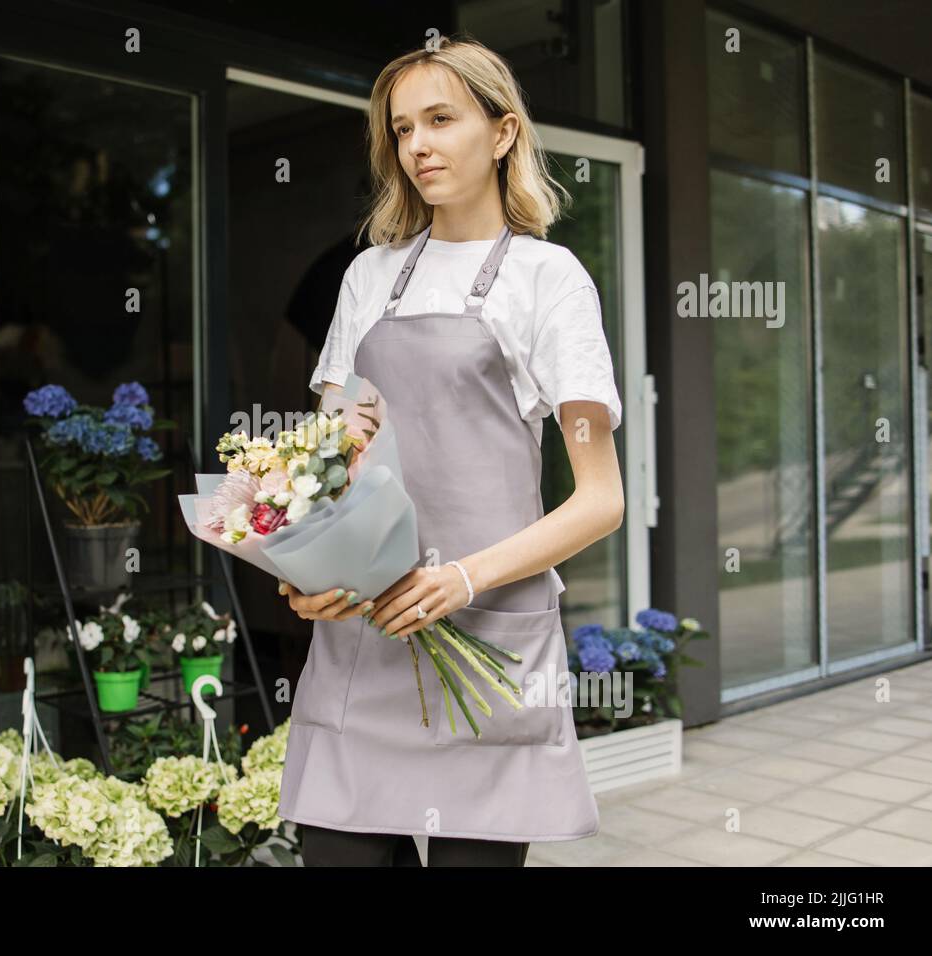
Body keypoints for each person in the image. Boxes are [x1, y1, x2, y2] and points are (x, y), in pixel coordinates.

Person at [275, 36, 624, 867]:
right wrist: (305, 572)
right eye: (401, 130)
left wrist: (462, 578)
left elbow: (600, 498)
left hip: (486, 645)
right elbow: (330, 472)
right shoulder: (368, 279)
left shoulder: (550, 279)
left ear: (503, 133)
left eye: (441, 119)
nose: (418, 145)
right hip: (367, 637)